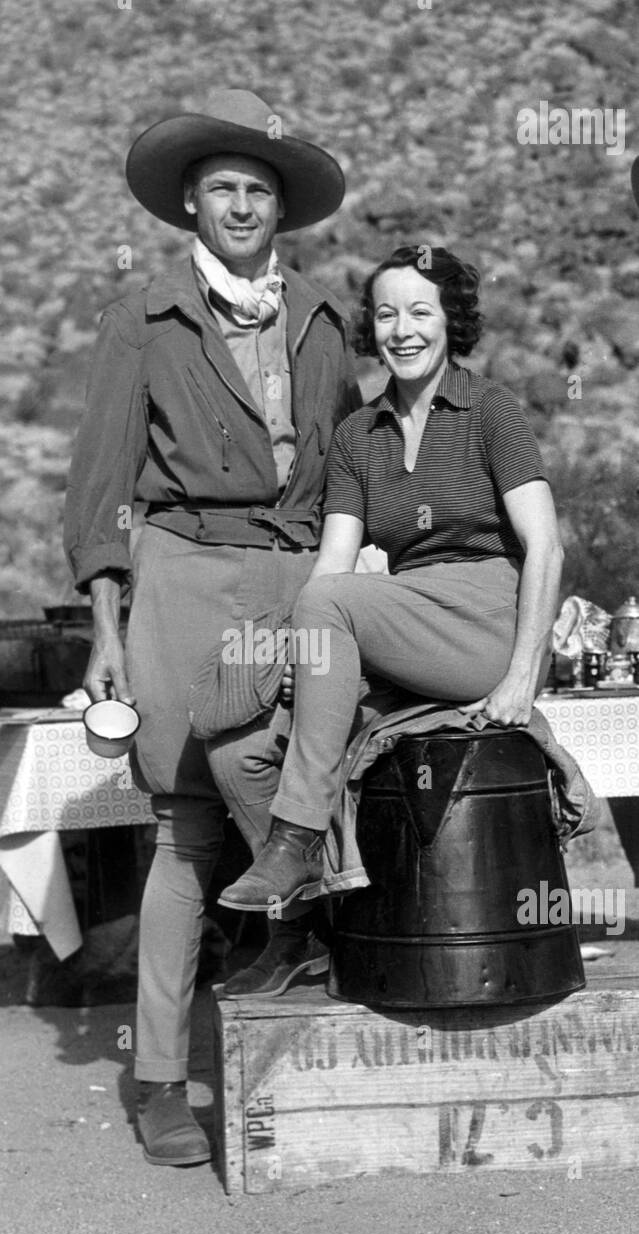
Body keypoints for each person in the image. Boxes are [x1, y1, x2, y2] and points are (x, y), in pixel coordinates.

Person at [63, 89, 360, 1166]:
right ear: (191, 202)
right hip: (184, 573)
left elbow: (349, 467)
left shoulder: (324, 317)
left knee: (313, 792)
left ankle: (311, 1023)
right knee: (190, 823)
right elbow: (101, 489)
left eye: (258, 191)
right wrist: (108, 630)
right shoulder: (142, 317)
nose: (240, 206)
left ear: (280, 211)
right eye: (223, 188)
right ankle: (156, 1079)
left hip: (300, 579)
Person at [215, 244, 564, 925]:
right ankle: (309, 920)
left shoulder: (492, 410)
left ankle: (297, 841)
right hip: (407, 627)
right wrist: (300, 651)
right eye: (384, 314)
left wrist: (522, 676)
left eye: (418, 312)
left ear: (451, 321)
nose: (401, 330)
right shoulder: (356, 436)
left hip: (487, 618)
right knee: (244, 748)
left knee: (326, 607)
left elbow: (545, 548)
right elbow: (334, 565)